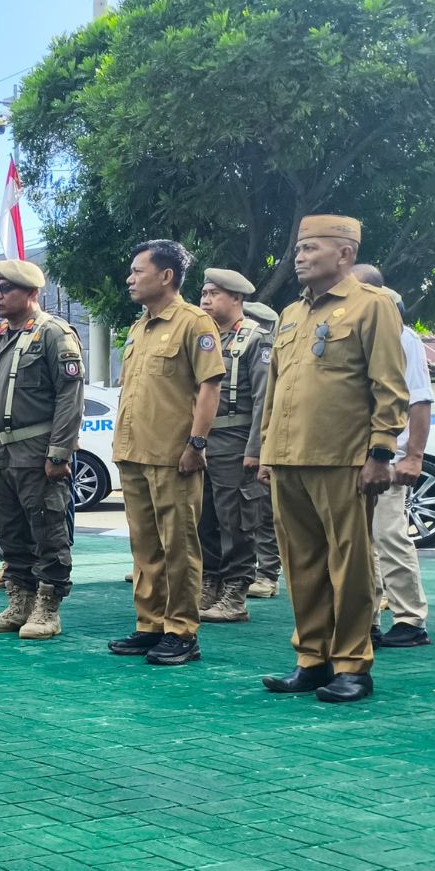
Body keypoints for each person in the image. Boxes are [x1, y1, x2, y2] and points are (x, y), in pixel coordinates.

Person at [258, 218, 409, 703]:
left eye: (310, 248)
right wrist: (266, 452)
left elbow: (389, 387)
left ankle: (352, 665)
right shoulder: (289, 314)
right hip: (288, 458)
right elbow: (275, 391)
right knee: (301, 564)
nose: (299, 256)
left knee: (351, 566)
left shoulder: (373, 306)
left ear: (344, 253)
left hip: (344, 459)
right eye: (298, 247)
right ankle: (312, 659)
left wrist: (381, 453)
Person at [107, 240, 224, 666]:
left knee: (180, 547)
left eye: (138, 271)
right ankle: (149, 625)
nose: (130, 279)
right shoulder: (139, 327)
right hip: (134, 452)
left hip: (174, 455)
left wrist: (196, 443)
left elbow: (210, 386)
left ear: (166, 276)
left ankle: (181, 632)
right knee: (145, 547)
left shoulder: (195, 323)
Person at [0, 259, 84, 640]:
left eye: (6, 290)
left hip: (35, 450)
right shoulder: (0, 337)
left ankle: (47, 608)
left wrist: (59, 453)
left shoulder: (54, 333)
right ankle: (19, 602)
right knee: (10, 533)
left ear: (32, 294)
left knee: (47, 531)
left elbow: (70, 398)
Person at [352, 265, 432, 650]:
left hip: (388, 456)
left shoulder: (402, 336)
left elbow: (418, 399)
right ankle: (366, 620)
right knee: (359, 544)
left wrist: (413, 456)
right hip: (350, 457)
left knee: (388, 535)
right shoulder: (345, 332)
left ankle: (410, 618)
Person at [194, 268, 270, 625]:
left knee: (236, 522)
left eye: (214, 294)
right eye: (204, 293)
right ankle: (209, 584)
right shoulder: (202, 338)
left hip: (237, 443)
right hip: (202, 444)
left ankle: (235, 593)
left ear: (237, 298)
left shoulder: (255, 339)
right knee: (203, 519)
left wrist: (256, 450)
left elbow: (263, 400)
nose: (205, 300)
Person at [240, 300, 284, 598]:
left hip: (258, 441)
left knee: (261, 511)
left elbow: (262, 402)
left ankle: (268, 573)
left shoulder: (262, 350)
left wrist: (257, 447)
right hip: (234, 441)